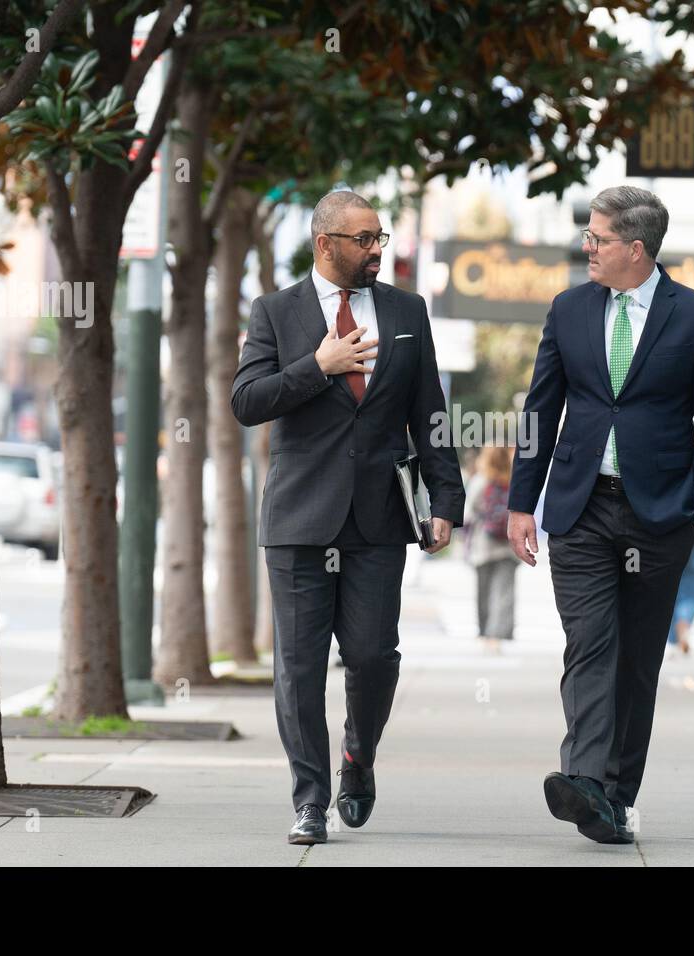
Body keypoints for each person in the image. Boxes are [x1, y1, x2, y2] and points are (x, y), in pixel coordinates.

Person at [231, 190, 465, 846]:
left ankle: (357, 758)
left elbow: (431, 414)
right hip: (300, 519)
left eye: (380, 237)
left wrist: (446, 501)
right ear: (325, 244)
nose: (376, 250)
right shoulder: (275, 312)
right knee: (299, 667)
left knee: (372, 654)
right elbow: (246, 401)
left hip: (378, 517)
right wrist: (317, 366)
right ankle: (309, 800)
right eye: (364, 239)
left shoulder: (406, 311)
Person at [506, 185, 694, 844]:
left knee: (635, 662)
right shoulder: (569, 309)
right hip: (580, 511)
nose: (588, 247)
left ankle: (615, 796)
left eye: (599, 238)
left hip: (659, 515)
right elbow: (539, 412)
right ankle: (581, 778)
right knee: (589, 646)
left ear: (636, 249)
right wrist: (524, 500)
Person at [463, 445, 522, 652]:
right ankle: (498, 635)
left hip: (483, 545)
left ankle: (485, 632)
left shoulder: (480, 481)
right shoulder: (513, 481)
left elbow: (468, 513)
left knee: (483, 591)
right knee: (504, 592)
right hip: (508, 545)